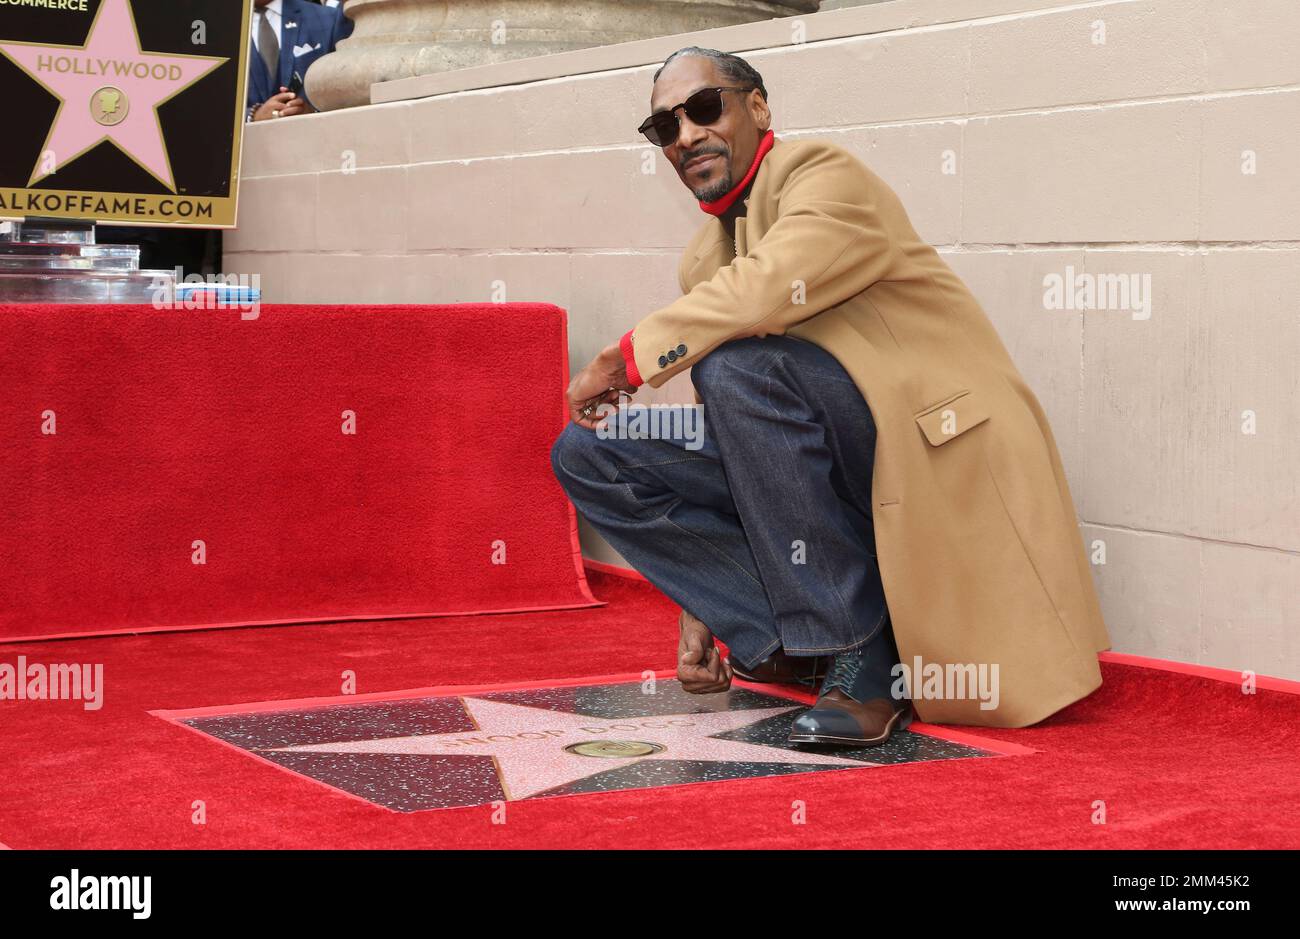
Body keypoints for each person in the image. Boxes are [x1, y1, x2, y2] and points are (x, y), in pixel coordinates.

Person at [551, 47, 1110, 746]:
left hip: (919, 451)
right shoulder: (703, 256)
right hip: (828, 463)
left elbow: (769, 283)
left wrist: (625, 359)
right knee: (591, 451)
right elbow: (742, 435)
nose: (685, 135)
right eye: (664, 127)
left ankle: (861, 655)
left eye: (703, 108)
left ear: (757, 108)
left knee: (737, 370)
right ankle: (797, 639)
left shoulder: (823, 176)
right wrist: (702, 607)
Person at [247, 0, 353, 122]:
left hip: (318, 135)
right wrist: (253, 115)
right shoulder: (222, 29)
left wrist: (313, 113)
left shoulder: (329, 19)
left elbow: (348, 91)